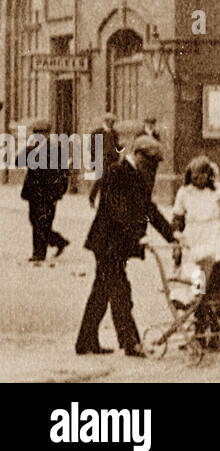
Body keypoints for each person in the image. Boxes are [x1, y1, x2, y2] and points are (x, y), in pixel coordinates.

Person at [75, 132, 177, 356]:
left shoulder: (138, 174)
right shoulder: (116, 172)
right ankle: (130, 342)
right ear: (138, 156)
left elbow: (149, 210)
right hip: (107, 243)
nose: (153, 170)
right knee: (121, 292)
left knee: (102, 292)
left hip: (115, 244)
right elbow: (118, 211)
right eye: (151, 163)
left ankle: (85, 341)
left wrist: (172, 236)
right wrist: (137, 236)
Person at [171, 156, 220, 349]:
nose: (197, 181)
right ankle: (199, 333)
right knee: (197, 287)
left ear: (209, 175)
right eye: (193, 177)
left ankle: (214, 334)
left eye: (201, 176)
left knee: (215, 287)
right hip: (192, 241)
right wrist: (177, 238)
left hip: (213, 239)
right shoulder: (184, 192)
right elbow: (177, 219)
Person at [21, 121, 70, 262]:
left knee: (44, 222)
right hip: (34, 192)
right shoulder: (32, 149)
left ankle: (39, 253)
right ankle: (59, 241)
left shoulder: (56, 150)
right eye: (36, 133)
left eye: (41, 133)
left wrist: (60, 191)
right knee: (34, 220)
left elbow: (64, 172)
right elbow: (19, 161)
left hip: (49, 193)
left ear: (48, 134)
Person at [87, 113, 121, 207]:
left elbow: (117, 146)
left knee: (112, 180)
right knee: (100, 179)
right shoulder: (97, 132)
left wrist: (118, 153)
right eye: (110, 122)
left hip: (112, 160)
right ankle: (92, 198)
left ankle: (108, 201)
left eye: (113, 122)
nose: (111, 124)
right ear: (105, 122)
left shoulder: (114, 133)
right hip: (101, 160)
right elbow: (92, 147)